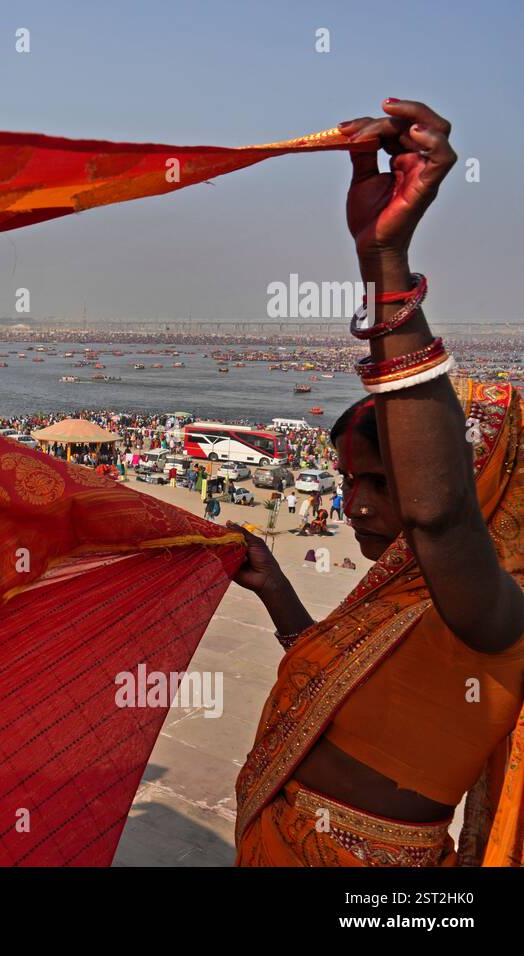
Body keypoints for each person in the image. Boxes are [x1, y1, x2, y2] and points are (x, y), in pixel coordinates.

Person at [226, 100, 524, 867]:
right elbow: (350, 704)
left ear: (479, 481)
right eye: (349, 480)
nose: (354, 503)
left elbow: (440, 518)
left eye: (379, 482)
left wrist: (384, 262)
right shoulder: (400, 600)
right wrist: (278, 594)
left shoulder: (495, 615)